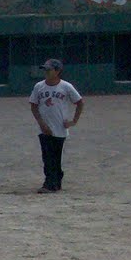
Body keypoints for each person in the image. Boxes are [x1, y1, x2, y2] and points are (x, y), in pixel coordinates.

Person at [30, 58, 83, 193]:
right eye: (45, 70)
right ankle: (49, 183)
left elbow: (79, 102)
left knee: (56, 156)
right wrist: (41, 123)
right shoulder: (39, 86)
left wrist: (73, 121)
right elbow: (34, 106)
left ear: (58, 71)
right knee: (47, 156)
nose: (46, 72)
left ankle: (56, 181)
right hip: (44, 129)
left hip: (60, 128)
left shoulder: (66, 86)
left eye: (49, 69)